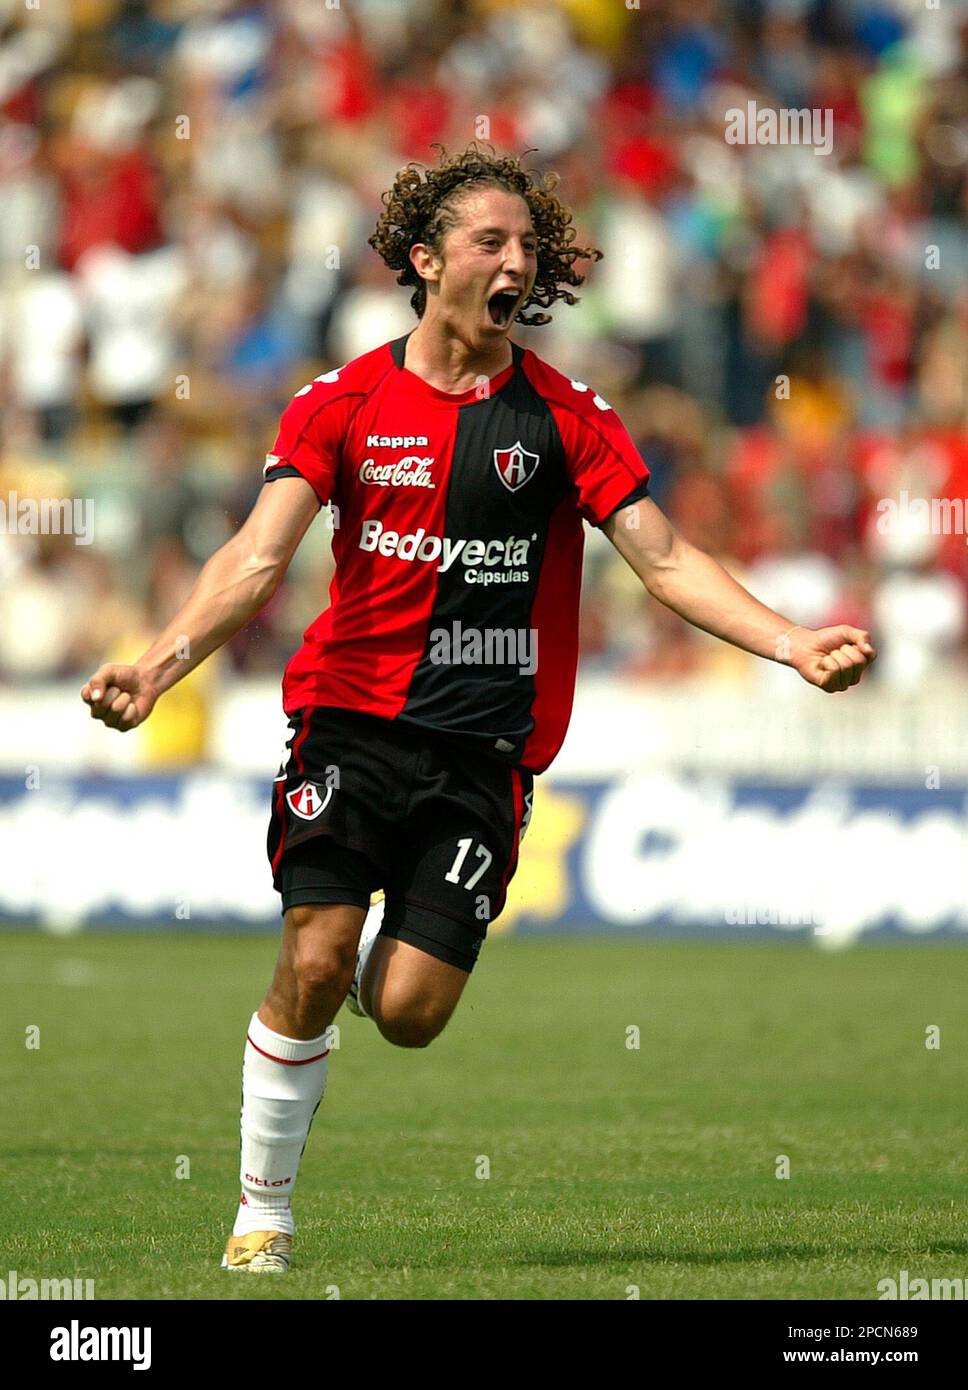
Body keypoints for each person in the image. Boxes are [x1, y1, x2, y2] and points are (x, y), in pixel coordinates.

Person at [81, 144, 876, 1273]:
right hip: (349, 721)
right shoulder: (342, 403)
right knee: (316, 958)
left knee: (407, 1012)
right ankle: (264, 1214)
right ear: (425, 259)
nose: (515, 262)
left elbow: (663, 558)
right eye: (488, 241)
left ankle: (372, 968)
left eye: (526, 246)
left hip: (483, 751)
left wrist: (789, 642)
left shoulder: (563, 416)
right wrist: (159, 666)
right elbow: (256, 559)